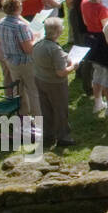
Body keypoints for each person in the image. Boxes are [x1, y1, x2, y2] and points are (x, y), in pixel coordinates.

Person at [32, 17, 76, 148]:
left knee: (46, 109)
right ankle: (63, 137)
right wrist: (74, 66)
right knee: (60, 109)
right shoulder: (54, 49)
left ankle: (48, 136)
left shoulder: (38, 44)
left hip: (40, 79)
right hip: (55, 83)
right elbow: (61, 72)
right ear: (57, 31)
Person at [0, 0, 40, 128]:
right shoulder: (20, 26)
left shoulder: (2, 22)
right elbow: (28, 48)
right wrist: (37, 39)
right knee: (33, 91)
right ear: (18, 7)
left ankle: (22, 119)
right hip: (25, 62)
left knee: (19, 91)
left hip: (11, 61)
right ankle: (39, 119)